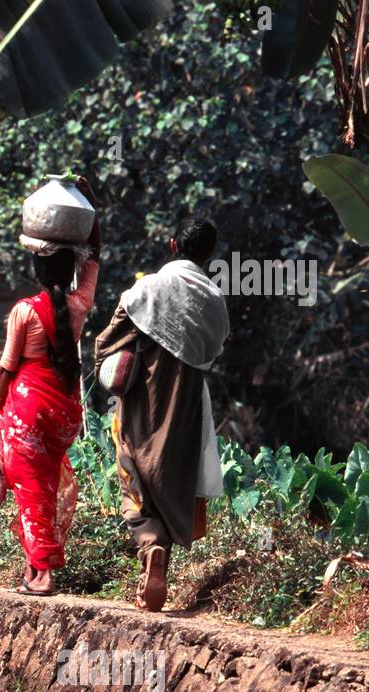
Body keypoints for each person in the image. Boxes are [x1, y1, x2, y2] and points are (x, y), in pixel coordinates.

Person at [94, 217, 229, 611]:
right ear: (209, 256)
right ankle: (160, 565)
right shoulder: (215, 300)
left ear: (172, 245)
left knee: (132, 472)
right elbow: (215, 348)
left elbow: (107, 341)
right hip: (188, 404)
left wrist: (113, 359)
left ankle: (151, 547)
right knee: (171, 476)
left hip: (144, 398)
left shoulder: (148, 288)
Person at [0, 177, 100, 596]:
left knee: (29, 488)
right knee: (41, 485)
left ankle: (44, 572)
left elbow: (5, 371)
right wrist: (90, 206)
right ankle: (33, 568)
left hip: (27, 412)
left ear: (36, 266)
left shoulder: (24, 311)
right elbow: (94, 259)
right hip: (63, 412)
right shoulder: (79, 306)